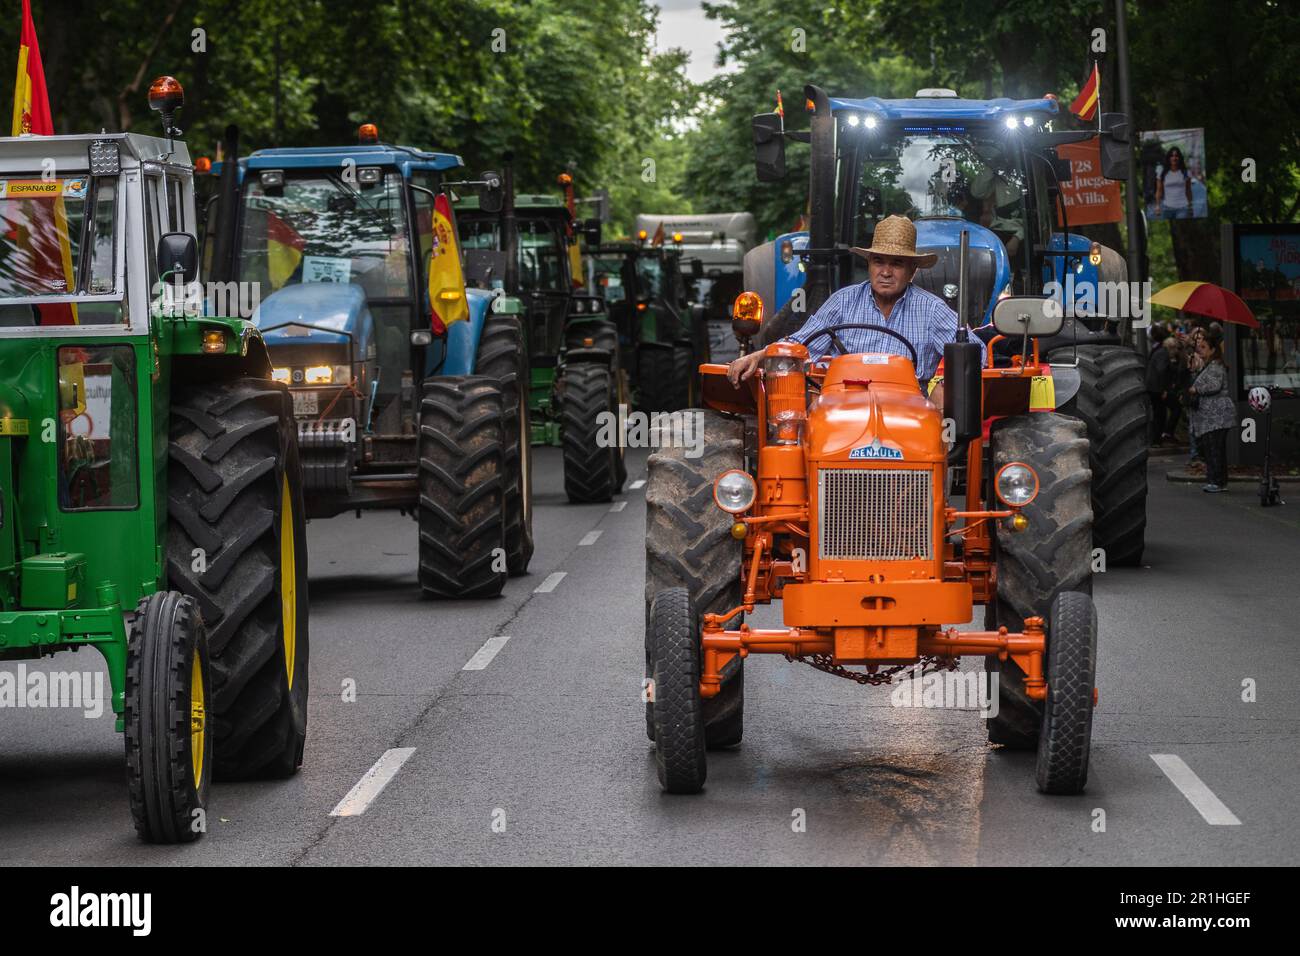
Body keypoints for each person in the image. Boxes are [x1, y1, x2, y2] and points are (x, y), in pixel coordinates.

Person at [727, 215, 986, 394]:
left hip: (908, 408)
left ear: (912, 271)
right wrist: (758, 356)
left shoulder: (931, 310)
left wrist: (944, 387)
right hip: (845, 405)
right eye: (878, 261)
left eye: (896, 264)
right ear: (869, 264)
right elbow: (799, 346)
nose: (885, 272)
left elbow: (978, 353)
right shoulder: (843, 301)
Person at [1188, 330, 1234, 492]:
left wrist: (1196, 389)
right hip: (1212, 417)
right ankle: (1218, 480)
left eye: (1204, 347)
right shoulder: (1209, 365)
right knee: (1213, 448)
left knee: (1214, 449)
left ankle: (1216, 481)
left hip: (1216, 416)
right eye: (1199, 346)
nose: (1200, 349)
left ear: (1213, 349)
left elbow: (1214, 385)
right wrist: (1193, 370)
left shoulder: (1216, 366)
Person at [1145, 323, 1172, 444]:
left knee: (1158, 413)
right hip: (1157, 388)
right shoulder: (1162, 351)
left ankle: (1156, 438)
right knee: (1160, 415)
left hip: (1153, 386)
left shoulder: (1156, 348)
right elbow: (1161, 370)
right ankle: (1157, 439)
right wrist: (1164, 389)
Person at [1154, 146, 1194, 220]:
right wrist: (1157, 206)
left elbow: (1188, 190)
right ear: (1169, 158)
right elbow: (1159, 191)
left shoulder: (1185, 172)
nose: (1174, 158)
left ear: (1180, 158)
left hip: (1183, 207)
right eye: (1172, 156)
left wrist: (1190, 206)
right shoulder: (1162, 172)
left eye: (1176, 156)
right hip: (1167, 207)